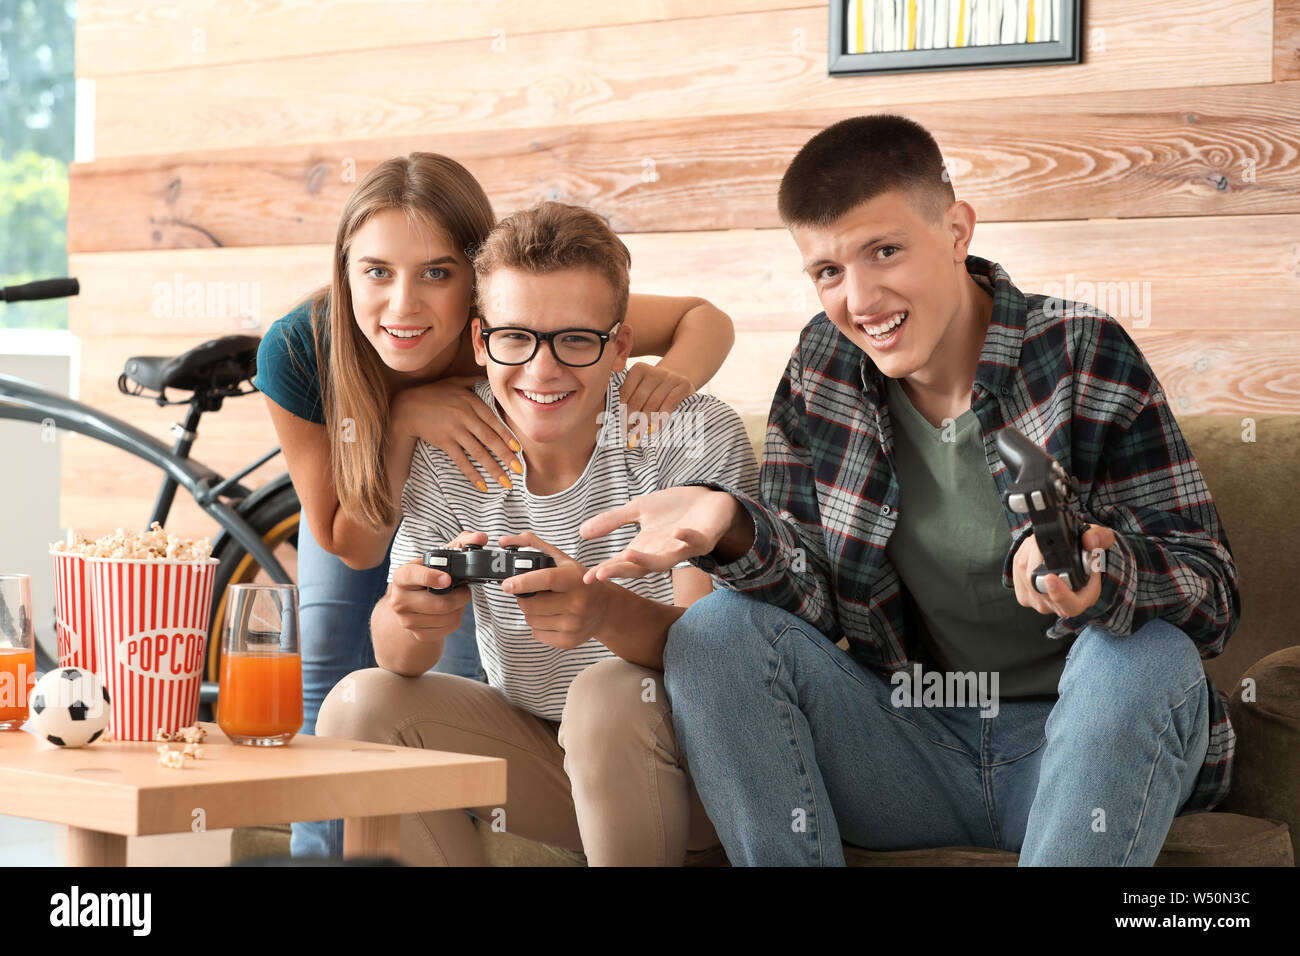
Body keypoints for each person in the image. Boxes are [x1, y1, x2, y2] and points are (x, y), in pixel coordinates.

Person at [579, 114, 1241, 866]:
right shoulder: (824, 364)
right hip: (911, 746)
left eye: (884, 251)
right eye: (828, 271)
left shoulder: (1081, 350)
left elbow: (1213, 598)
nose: (859, 299)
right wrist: (733, 525)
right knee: (713, 631)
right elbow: (816, 600)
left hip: (1082, 750)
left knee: (1144, 654)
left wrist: (1103, 578)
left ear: (957, 231)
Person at [253, 154, 738, 859]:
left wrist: (672, 389)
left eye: (437, 273)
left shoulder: (649, 402)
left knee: (594, 694)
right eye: (377, 271)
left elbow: (702, 318)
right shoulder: (311, 356)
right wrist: (402, 428)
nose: (404, 305)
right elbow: (358, 556)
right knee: (350, 687)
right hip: (377, 490)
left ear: (472, 295)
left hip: (676, 752)